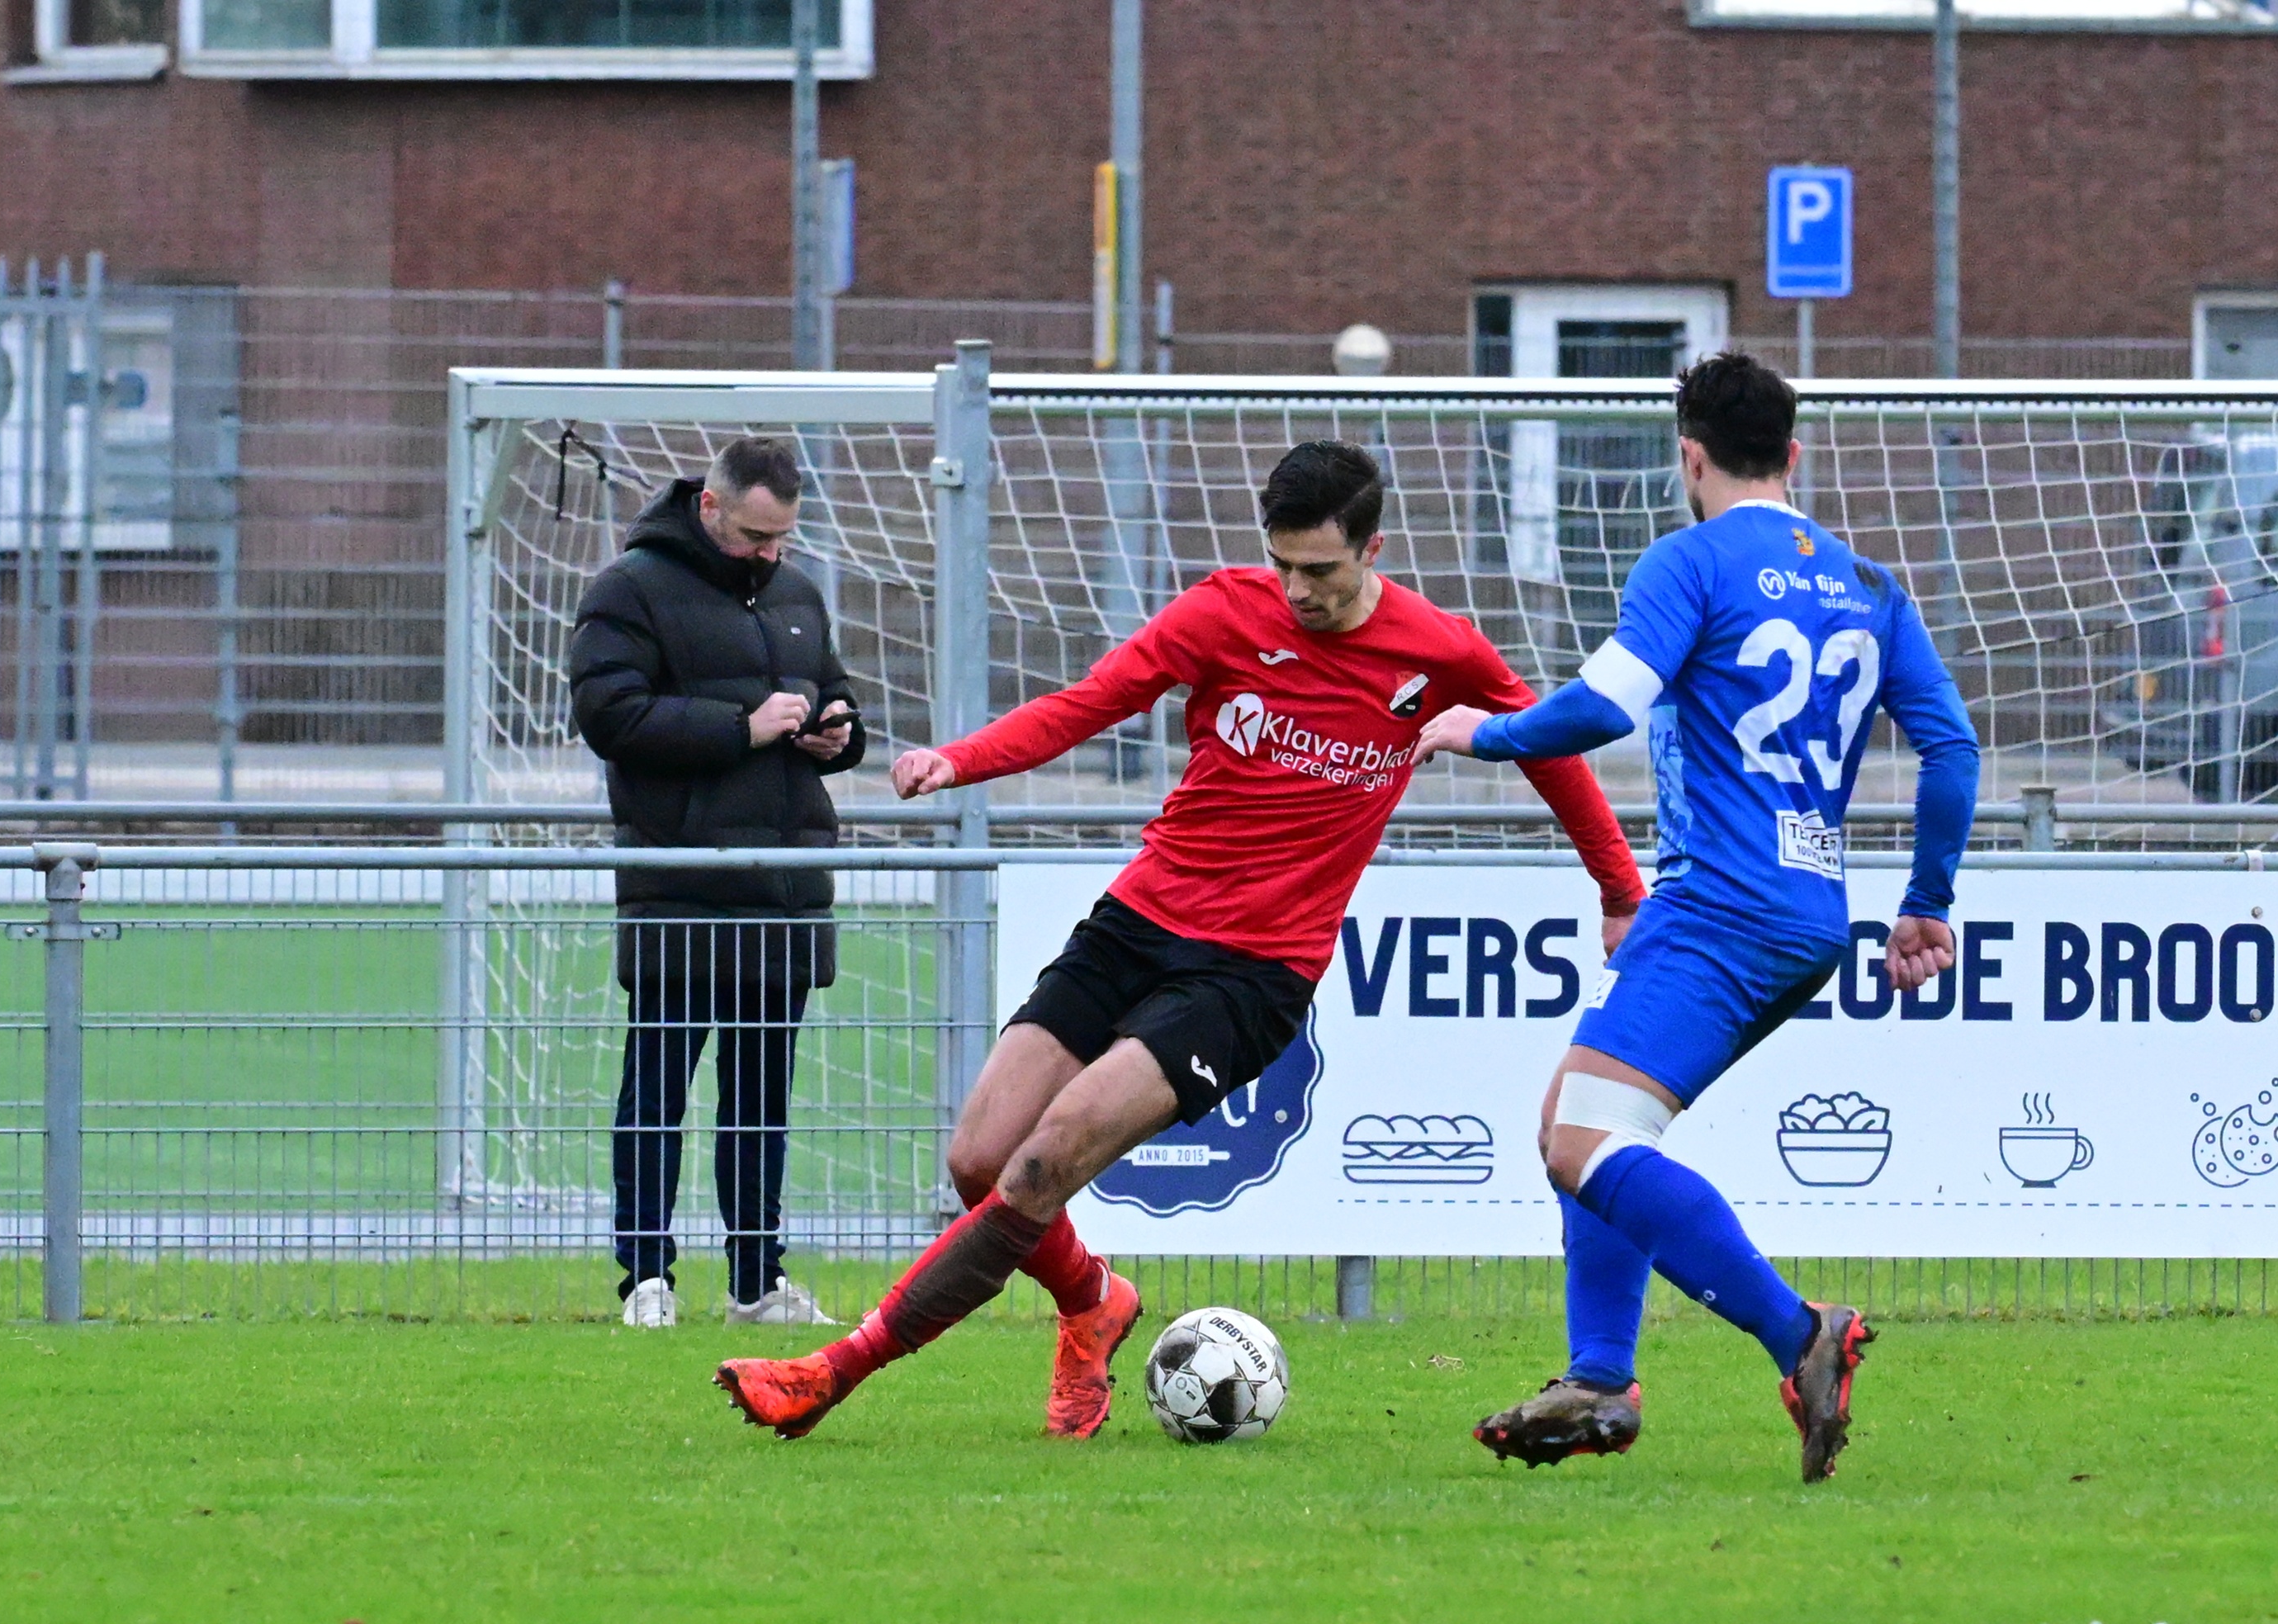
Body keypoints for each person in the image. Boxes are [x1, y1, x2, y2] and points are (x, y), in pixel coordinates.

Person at [713, 439, 1650, 1441]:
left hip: (1252, 975)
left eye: (1322, 571)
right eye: (1282, 564)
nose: (1297, 590)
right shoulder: (1222, 611)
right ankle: (1094, 1302)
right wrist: (960, 759)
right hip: (1138, 921)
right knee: (982, 1158)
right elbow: (1090, 703)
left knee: (1044, 1163)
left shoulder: (1442, 650)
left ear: (1374, 547)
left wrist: (1618, 889)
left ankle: (834, 1368)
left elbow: (1550, 748)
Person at [1413, 351, 1980, 1483]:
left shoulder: (1688, 560)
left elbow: (1607, 704)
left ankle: (1797, 1332)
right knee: (1577, 1125)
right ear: (1795, 455)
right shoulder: (1869, 584)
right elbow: (1950, 749)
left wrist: (1479, 730)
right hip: (1808, 911)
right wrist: (1922, 902)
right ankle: (1601, 1378)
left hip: (1719, 898)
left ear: (1688, 455)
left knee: (1585, 1142)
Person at [569, 435, 866, 1330]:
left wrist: (838, 732)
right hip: (681, 886)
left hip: (782, 891)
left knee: (762, 1102)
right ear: (710, 506)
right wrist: (741, 727)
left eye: (780, 538)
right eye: (751, 535)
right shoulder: (630, 587)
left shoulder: (799, 593)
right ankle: (646, 1277)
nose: (767, 553)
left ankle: (756, 1280)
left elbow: (838, 703)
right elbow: (607, 712)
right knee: (657, 1090)